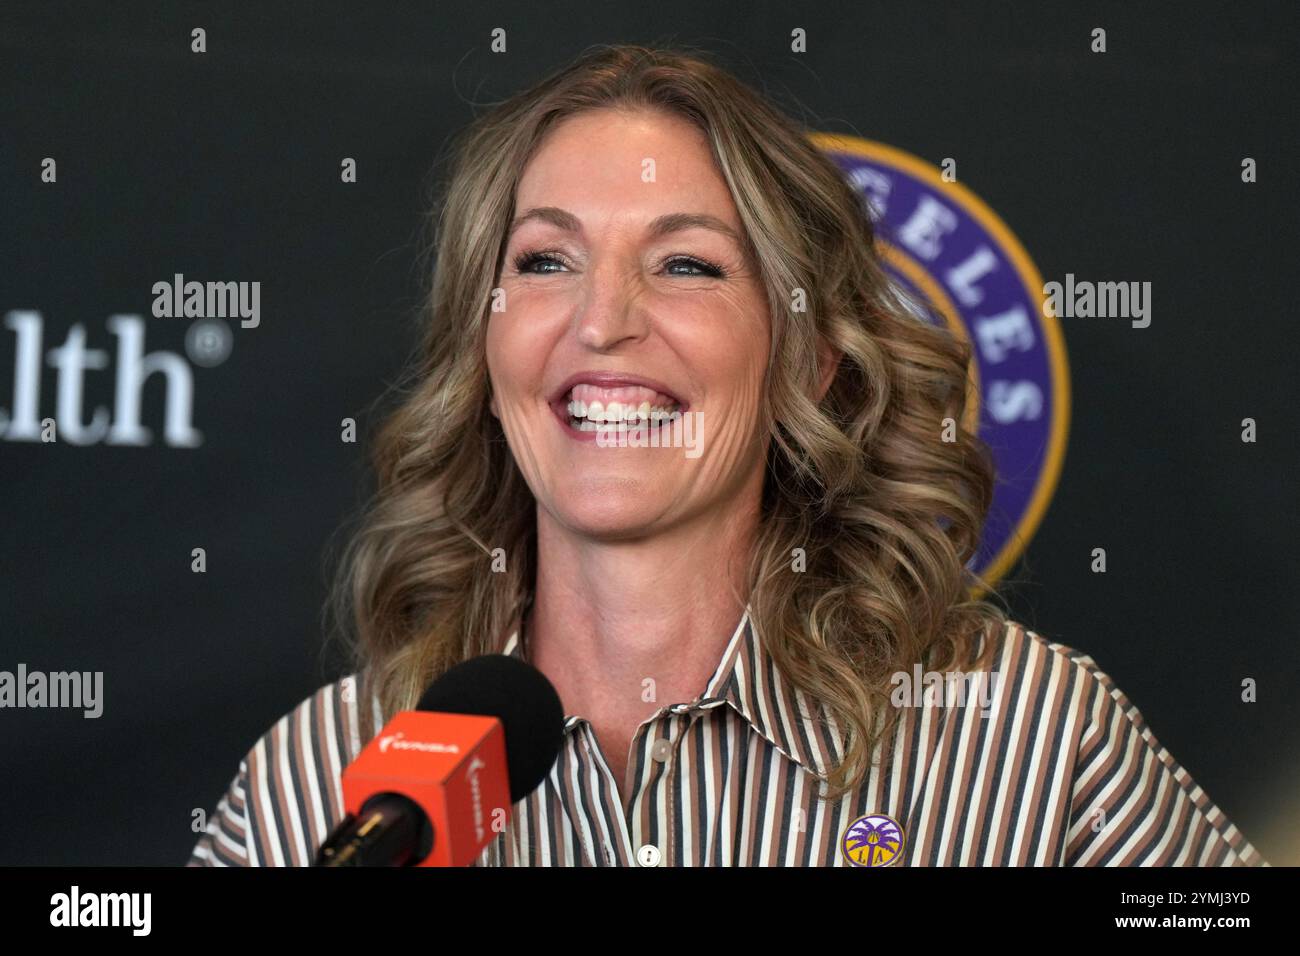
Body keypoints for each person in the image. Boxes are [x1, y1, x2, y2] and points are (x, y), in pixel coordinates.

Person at [188, 44, 1264, 867]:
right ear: (485, 335)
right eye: (547, 257)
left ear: (811, 358)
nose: (602, 321)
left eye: (688, 264)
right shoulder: (320, 787)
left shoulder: (1033, 739)